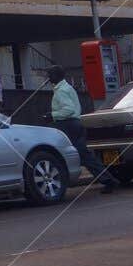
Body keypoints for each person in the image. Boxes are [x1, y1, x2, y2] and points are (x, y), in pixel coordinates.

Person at [48, 65, 116, 194]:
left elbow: (68, 110)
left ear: (56, 76)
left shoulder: (61, 91)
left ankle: (108, 180)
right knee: (84, 156)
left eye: (50, 74)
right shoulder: (66, 87)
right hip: (75, 123)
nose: (48, 78)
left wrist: (52, 115)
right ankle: (107, 179)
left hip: (68, 125)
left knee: (76, 155)